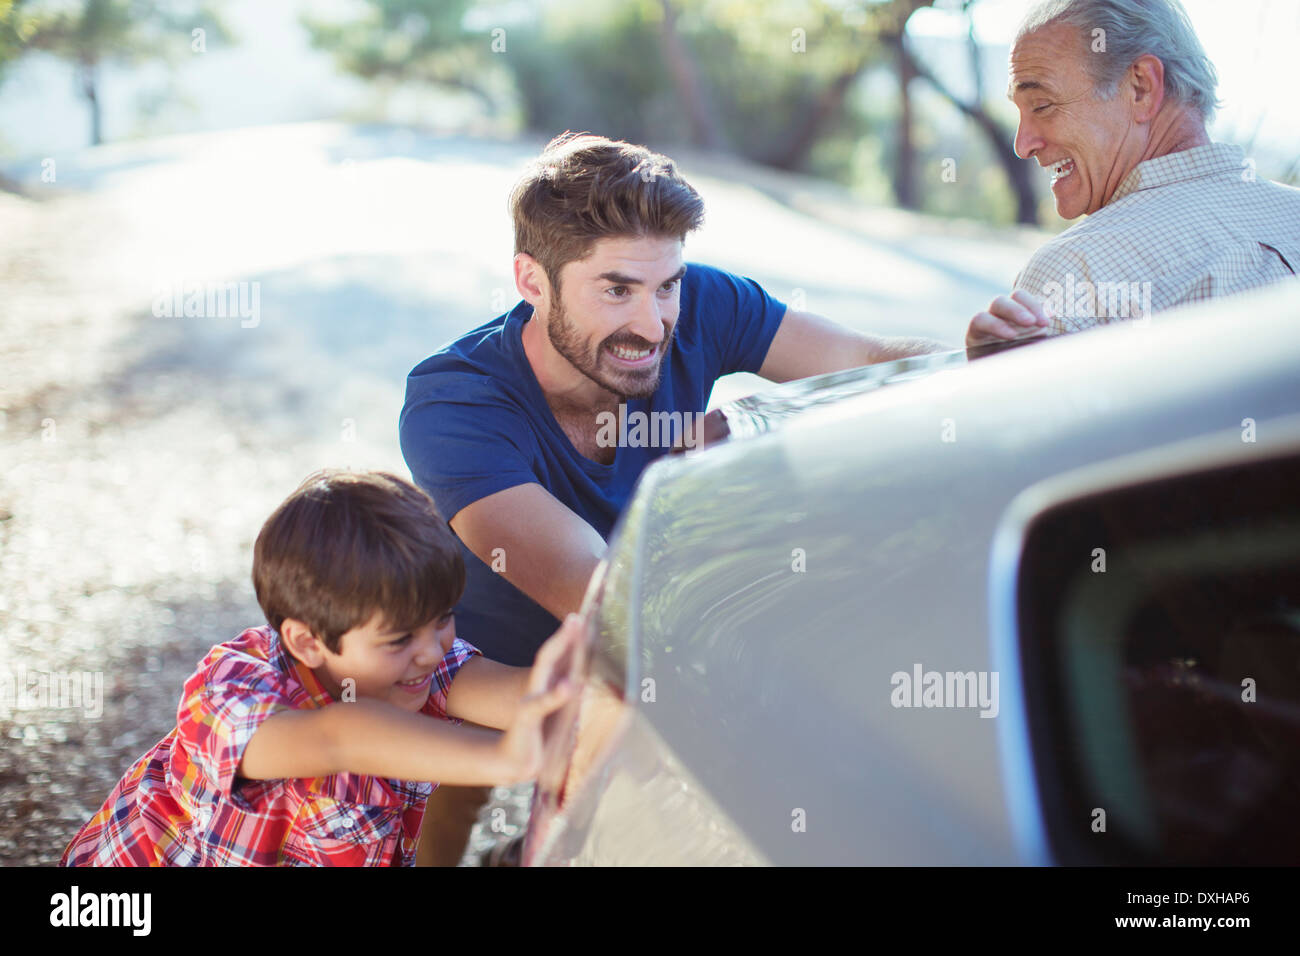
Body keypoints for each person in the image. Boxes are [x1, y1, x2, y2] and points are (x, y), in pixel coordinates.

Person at [399, 132, 950, 863]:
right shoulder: (453, 402)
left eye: (667, 286)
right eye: (616, 289)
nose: (653, 324)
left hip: (659, 683)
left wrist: (976, 358)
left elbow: (861, 362)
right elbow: (599, 594)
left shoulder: (701, 304)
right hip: (502, 700)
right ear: (532, 280)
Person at [60, 470, 579, 866]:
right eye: (400, 638)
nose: (432, 648)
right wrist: (513, 758)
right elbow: (339, 738)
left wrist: (576, 687)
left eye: (442, 618)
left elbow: (515, 694)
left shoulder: (407, 668)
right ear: (306, 642)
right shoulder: (229, 691)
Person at [967, 0, 1300, 347]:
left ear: (1141, 87)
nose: (1023, 145)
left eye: (1042, 105)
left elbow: (1027, 402)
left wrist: (985, 376)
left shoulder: (1074, 272)